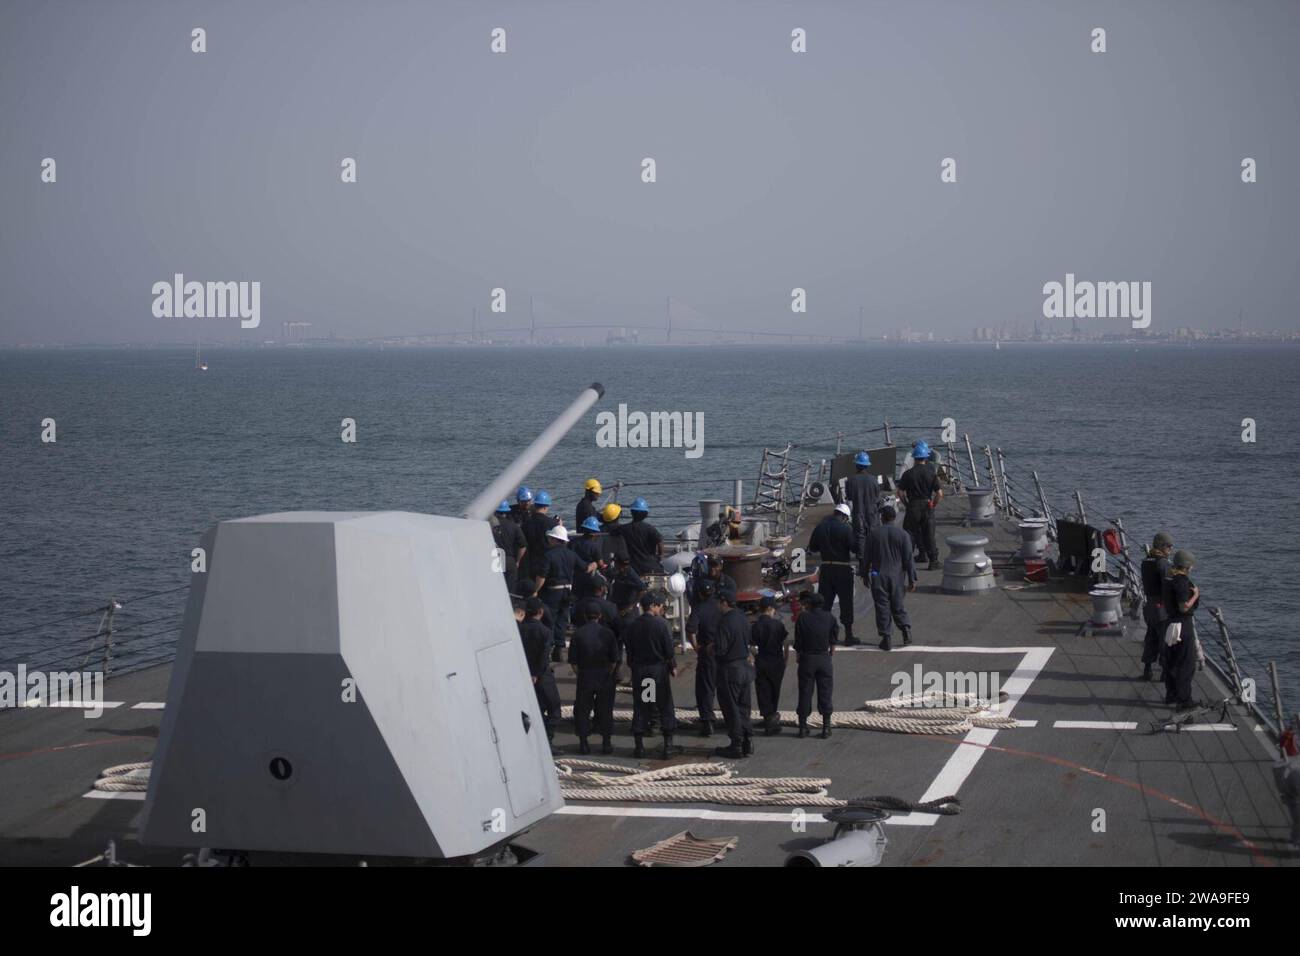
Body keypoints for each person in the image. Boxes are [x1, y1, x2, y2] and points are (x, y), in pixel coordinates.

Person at [625, 591, 684, 759]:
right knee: (665, 705)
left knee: (644, 704)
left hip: (641, 671)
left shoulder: (633, 625)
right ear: (652, 606)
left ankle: (639, 746)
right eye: (659, 605)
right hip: (657, 671)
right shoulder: (661, 624)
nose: (661, 608)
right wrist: (672, 666)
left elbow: (629, 651)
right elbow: (669, 650)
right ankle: (668, 744)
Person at [568, 603, 621, 755]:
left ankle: (583, 743)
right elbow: (614, 659)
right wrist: (609, 672)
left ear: (585, 616)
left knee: (583, 710)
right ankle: (606, 742)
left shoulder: (578, 634)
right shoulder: (608, 633)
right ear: (600, 616)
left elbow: (573, 662)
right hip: (604, 675)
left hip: (586, 675)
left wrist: (581, 674)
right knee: (605, 709)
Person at [536, 524, 594, 661]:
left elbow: (541, 577)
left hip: (551, 592)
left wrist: (535, 591)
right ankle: (559, 649)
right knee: (562, 620)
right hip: (567, 592)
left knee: (549, 620)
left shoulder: (548, 555)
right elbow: (585, 568)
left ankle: (548, 649)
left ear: (554, 539)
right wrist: (594, 564)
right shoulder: (571, 554)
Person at [864, 504, 917, 650]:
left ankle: (886, 637)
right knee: (898, 605)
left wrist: (864, 575)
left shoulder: (873, 534)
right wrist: (912, 579)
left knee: (882, 607)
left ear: (882, 518)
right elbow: (908, 559)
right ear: (894, 518)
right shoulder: (903, 535)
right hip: (897, 577)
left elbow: (866, 557)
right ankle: (906, 631)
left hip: (878, 575)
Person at [809, 502, 860, 645]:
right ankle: (849, 635)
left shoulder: (820, 527)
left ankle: (824, 636)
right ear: (844, 516)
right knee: (846, 603)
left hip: (826, 569)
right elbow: (855, 548)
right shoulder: (845, 528)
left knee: (825, 604)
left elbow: (813, 547)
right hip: (843, 569)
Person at [712, 592, 755, 758]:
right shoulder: (743, 618)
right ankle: (748, 740)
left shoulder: (725, 622)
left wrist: (712, 648)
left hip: (730, 669)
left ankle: (736, 744)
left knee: (731, 708)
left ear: (724, 602)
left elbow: (721, 649)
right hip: (745, 667)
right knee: (744, 707)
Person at [793, 591, 836, 739]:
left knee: (805, 692)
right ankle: (826, 727)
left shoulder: (803, 617)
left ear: (810, 604)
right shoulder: (829, 617)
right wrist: (830, 652)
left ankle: (803, 727)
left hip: (807, 659)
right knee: (825, 692)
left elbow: (798, 641)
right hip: (824, 658)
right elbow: (833, 639)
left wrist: (799, 655)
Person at [1162, 549, 1201, 711]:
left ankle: (1171, 694)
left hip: (1170, 623)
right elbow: (1184, 607)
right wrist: (1195, 595)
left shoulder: (1168, 578)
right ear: (1187, 566)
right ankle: (1185, 701)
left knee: (1172, 661)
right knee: (1186, 664)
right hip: (1182, 625)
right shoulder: (1181, 582)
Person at [517, 598, 560, 743]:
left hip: (523, 674)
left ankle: (535, 738)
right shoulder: (545, 632)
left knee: (534, 710)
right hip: (542, 676)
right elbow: (543, 656)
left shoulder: (519, 629)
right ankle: (548, 740)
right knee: (554, 708)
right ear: (540, 612)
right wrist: (536, 674)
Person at [897, 440, 943, 570]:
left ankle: (907, 561)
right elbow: (939, 494)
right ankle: (933, 561)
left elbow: (900, 493)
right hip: (927, 505)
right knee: (929, 534)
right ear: (926, 457)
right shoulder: (931, 473)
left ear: (914, 458)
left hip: (913, 506)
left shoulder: (908, 474)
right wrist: (933, 504)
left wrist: (907, 504)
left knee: (909, 534)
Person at [686, 578, 723, 737]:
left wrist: (697, 648)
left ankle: (707, 721)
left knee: (705, 689)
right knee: (726, 688)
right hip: (724, 651)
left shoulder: (699, 608)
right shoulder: (721, 606)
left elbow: (691, 631)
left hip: (707, 653)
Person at [749, 595, 789, 735]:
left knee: (763, 691)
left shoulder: (756, 626)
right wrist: (786, 659)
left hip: (762, 660)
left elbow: (751, 645)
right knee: (774, 690)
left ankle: (767, 717)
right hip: (776, 660)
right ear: (771, 608)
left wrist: (756, 656)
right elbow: (785, 643)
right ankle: (771, 720)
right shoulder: (778, 625)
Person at [1139, 531, 1174, 682]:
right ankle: (1165, 673)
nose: (1171, 549)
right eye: (1168, 546)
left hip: (1149, 606)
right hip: (1161, 607)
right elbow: (1168, 585)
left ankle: (1147, 670)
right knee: (1164, 640)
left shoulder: (1146, 561)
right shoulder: (1163, 563)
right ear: (1162, 546)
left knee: (1150, 637)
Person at [844, 451, 881, 561]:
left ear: (856, 465)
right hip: (872, 512)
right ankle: (874, 556)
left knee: (860, 535)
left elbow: (849, 497)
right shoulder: (873, 479)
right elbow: (877, 496)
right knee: (873, 534)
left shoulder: (851, 480)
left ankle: (861, 559)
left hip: (858, 511)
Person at [619, 497, 664, 574]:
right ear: (646, 514)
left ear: (632, 513)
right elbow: (660, 542)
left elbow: (612, 530)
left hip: (633, 567)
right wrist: (660, 556)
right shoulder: (650, 529)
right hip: (651, 566)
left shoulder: (624, 529)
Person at [522, 490, 559, 581]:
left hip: (531, 562)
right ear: (546, 506)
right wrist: (559, 526)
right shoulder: (551, 523)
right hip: (547, 561)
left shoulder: (526, 523)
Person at [491, 500, 527, 592]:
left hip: (495, 560)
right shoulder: (514, 526)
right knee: (511, 591)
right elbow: (523, 545)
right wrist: (518, 561)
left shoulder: (489, 525)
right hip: (510, 560)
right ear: (507, 511)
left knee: (496, 589)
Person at [570, 516, 605, 602]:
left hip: (575, 576)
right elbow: (601, 564)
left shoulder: (573, 542)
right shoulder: (594, 546)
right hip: (589, 577)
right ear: (594, 533)